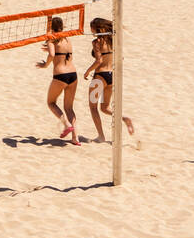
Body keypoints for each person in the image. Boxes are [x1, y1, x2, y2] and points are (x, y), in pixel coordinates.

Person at [82, 17, 135, 142]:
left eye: (92, 28)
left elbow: (99, 60)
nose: (91, 31)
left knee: (93, 107)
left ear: (97, 28)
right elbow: (120, 58)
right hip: (112, 76)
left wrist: (87, 71)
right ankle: (124, 118)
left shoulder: (97, 42)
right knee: (105, 108)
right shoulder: (114, 40)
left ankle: (101, 136)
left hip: (100, 76)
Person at [35, 16, 80, 145]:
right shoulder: (67, 38)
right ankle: (75, 137)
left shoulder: (51, 39)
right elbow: (59, 50)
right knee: (69, 108)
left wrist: (46, 65)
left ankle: (66, 124)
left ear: (50, 27)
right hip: (73, 75)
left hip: (60, 75)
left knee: (51, 102)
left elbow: (52, 54)